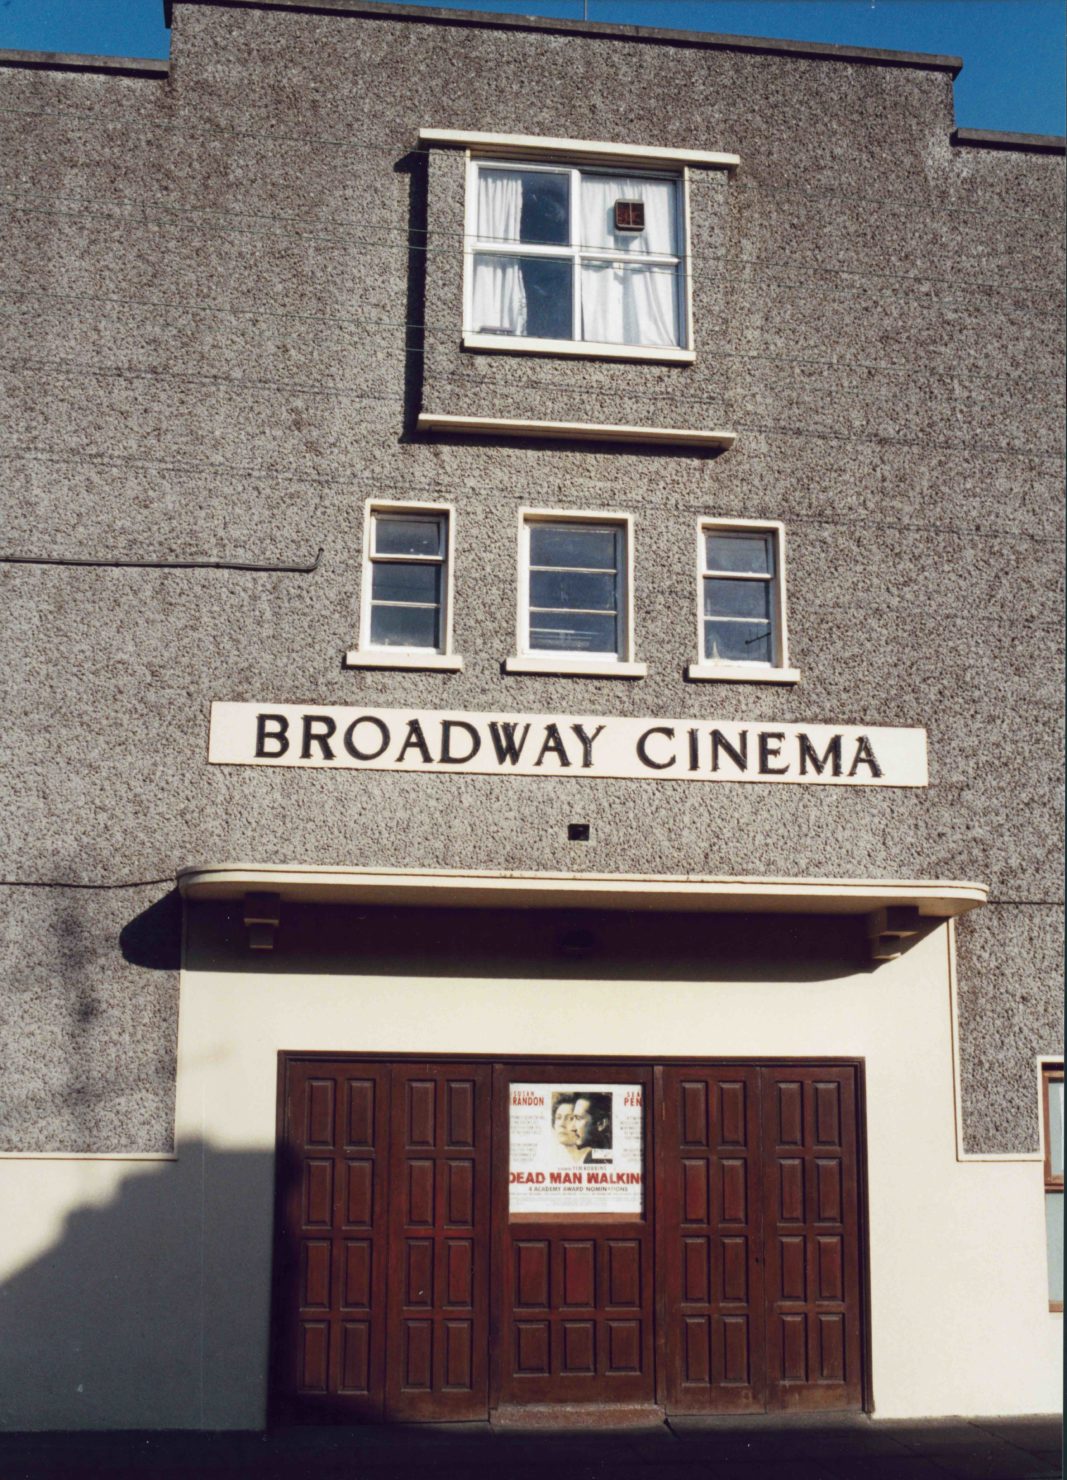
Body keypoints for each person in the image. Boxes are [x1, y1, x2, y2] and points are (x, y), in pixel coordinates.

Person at [569, 1092, 612, 1163]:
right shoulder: (590, 1159)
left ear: (601, 1124)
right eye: (573, 1118)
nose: (572, 1128)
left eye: (578, 1118)